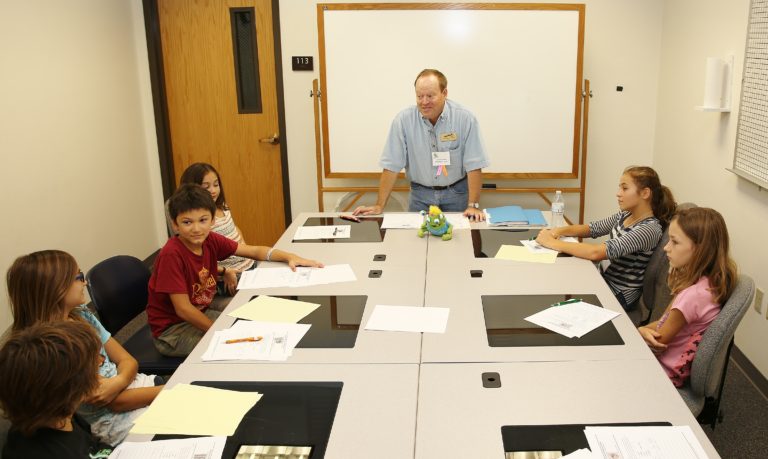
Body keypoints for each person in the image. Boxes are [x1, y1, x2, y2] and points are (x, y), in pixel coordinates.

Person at [6, 250, 163, 446]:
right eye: (78, 277)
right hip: (117, 423)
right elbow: (114, 402)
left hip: (135, 388)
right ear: (55, 287)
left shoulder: (81, 316)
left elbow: (128, 360)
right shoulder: (52, 350)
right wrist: (169, 390)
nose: (85, 283)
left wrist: (120, 380)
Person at [147, 184, 323, 357]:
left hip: (200, 313)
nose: (196, 228)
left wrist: (289, 256)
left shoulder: (210, 240)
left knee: (257, 327)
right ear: (175, 225)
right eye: (187, 222)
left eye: (203, 220)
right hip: (173, 332)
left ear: (212, 221)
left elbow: (253, 251)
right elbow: (183, 309)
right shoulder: (171, 254)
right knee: (242, 346)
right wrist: (218, 332)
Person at [353, 68, 490, 220]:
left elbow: (474, 165)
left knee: (464, 240)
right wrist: (379, 205)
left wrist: (473, 205)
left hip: (457, 194)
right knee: (416, 240)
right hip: (420, 195)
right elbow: (391, 166)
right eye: (419, 96)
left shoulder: (465, 118)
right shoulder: (403, 121)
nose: (424, 102)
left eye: (430, 96)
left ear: (444, 93)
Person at [536, 166, 676, 310]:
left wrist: (550, 242)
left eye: (625, 188)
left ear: (645, 193)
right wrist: (557, 231)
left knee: (559, 298)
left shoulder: (648, 229)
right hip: (605, 279)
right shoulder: (626, 215)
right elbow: (592, 228)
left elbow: (595, 253)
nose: (618, 194)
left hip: (619, 294)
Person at [638, 207, 737, 387]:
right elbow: (662, 322)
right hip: (672, 369)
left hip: (661, 374)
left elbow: (657, 341)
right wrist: (642, 330)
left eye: (675, 242)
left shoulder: (693, 296)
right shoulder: (706, 284)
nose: (666, 248)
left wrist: (639, 332)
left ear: (700, 249)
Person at [0, 321, 114, 458]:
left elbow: (95, 448)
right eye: (94, 364)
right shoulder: (43, 451)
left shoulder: (62, 416)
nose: (101, 362)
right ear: (70, 389)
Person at [179, 162, 253, 296]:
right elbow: (197, 259)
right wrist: (224, 271)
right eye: (206, 187)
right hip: (228, 275)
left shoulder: (222, 205)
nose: (213, 190)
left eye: (216, 184)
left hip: (246, 264)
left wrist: (245, 247)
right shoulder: (201, 221)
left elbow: (234, 228)